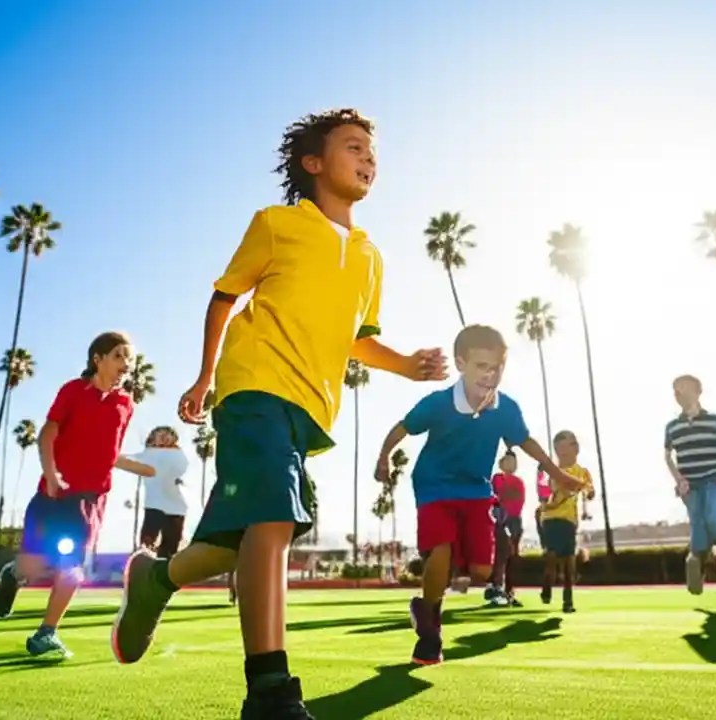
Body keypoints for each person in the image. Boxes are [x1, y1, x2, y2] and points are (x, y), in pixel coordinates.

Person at [109, 108, 446, 719]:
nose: (369, 159)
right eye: (354, 148)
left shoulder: (372, 258)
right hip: (252, 388)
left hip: (307, 411)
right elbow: (224, 296)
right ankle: (269, 692)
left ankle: (155, 581)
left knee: (238, 537)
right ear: (313, 163)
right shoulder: (276, 224)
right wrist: (206, 375)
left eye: (373, 152)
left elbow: (357, 339)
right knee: (271, 518)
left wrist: (407, 365)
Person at [375, 325, 585, 666]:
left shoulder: (506, 409)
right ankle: (430, 633)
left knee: (482, 570)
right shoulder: (439, 403)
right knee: (440, 550)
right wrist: (383, 457)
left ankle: (422, 603)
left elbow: (525, 441)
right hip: (434, 485)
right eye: (481, 366)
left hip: (475, 490)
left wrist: (557, 471)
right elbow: (402, 427)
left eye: (497, 367)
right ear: (461, 363)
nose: (490, 375)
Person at [0, 331, 157, 656]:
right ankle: (14, 574)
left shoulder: (126, 404)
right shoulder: (72, 391)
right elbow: (48, 433)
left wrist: (141, 468)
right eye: (119, 356)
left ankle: (46, 634)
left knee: (71, 567)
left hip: (89, 499)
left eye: (130, 359)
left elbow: (109, 452)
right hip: (52, 493)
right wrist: (51, 473)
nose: (126, 364)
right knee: (33, 567)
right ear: (98, 359)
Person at [664, 374, 716, 618]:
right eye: (675, 391)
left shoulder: (715, 420)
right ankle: (698, 560)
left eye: (683, 389)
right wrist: (678, 480)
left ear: (698, 391)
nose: (678, 394)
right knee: (699, 535)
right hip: (691, 488)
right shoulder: (672, 426)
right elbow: (667, 456)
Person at [541, 430, 594, 613]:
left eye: (572, 444)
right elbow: (552, 490)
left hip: (569, 521)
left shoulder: (583, 472)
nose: (569, 449)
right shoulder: (553, 471)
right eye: (563, 446)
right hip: (551, 518)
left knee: (569, 561)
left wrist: (588, 493)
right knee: (552, 557)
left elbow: (588, 490)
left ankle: (568, 600)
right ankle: (548, 582)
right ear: (557, 450)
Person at [128, 426, 190, 557]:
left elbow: (181, 468)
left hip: (175, 507)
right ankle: (146, 567)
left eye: (168, 435)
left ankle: (166, 567)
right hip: (155, 505)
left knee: (171, 544)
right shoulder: (149, 454)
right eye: (160, 434)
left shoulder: (177, 455)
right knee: (148, 541)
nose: (165, 437)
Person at [485, 450, 526, 607]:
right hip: (500, 521)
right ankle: (495, 589)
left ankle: (510, 593)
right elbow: (491, 497)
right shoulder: (496, 479)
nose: (511, 465)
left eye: (514, 462)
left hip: (515, 522)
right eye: (508, 461)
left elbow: (520, 502)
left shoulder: (519, 482)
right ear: (502, 463)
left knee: (512, 559)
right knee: (500, 556)